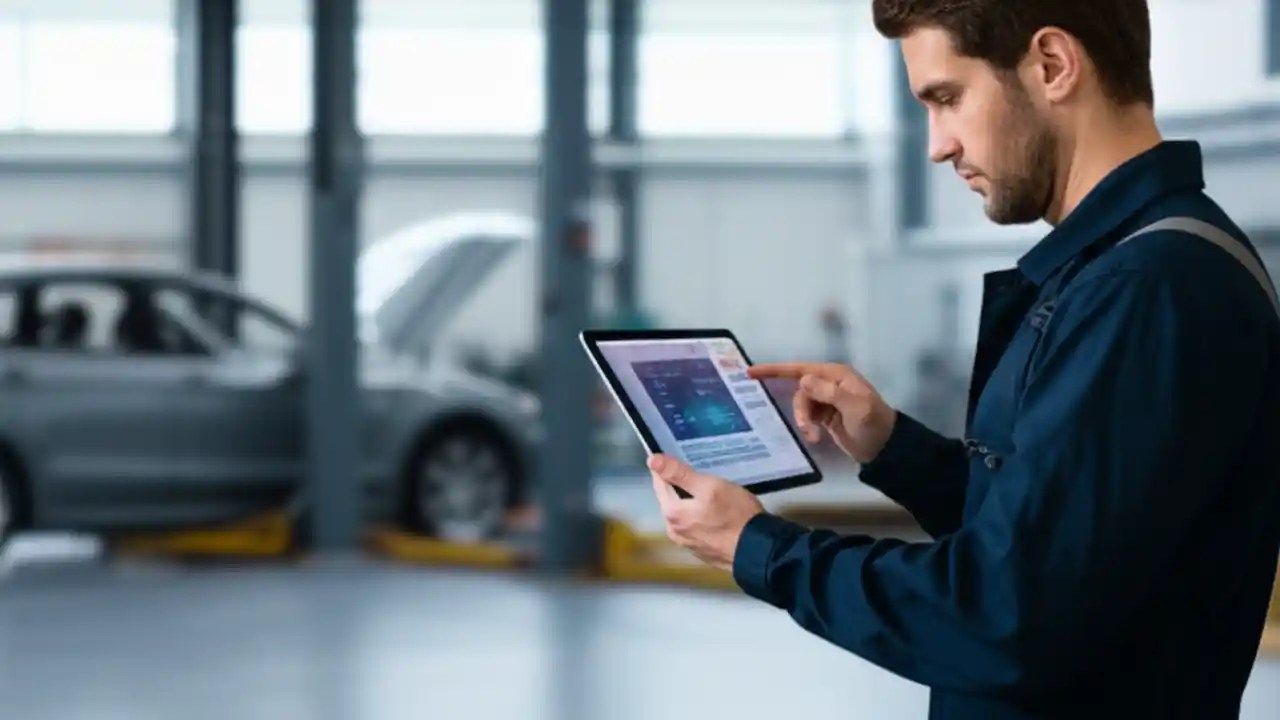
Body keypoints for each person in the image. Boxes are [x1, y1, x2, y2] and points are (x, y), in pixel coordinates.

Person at [646, 1, 1280, 717]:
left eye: (947, 99)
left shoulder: (1147, 289)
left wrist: (757, 547)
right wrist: (894, 447)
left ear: (1052, 65)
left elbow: (1006, 616)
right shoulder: (1128, 269)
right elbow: (1063, 535)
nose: (937, 146)